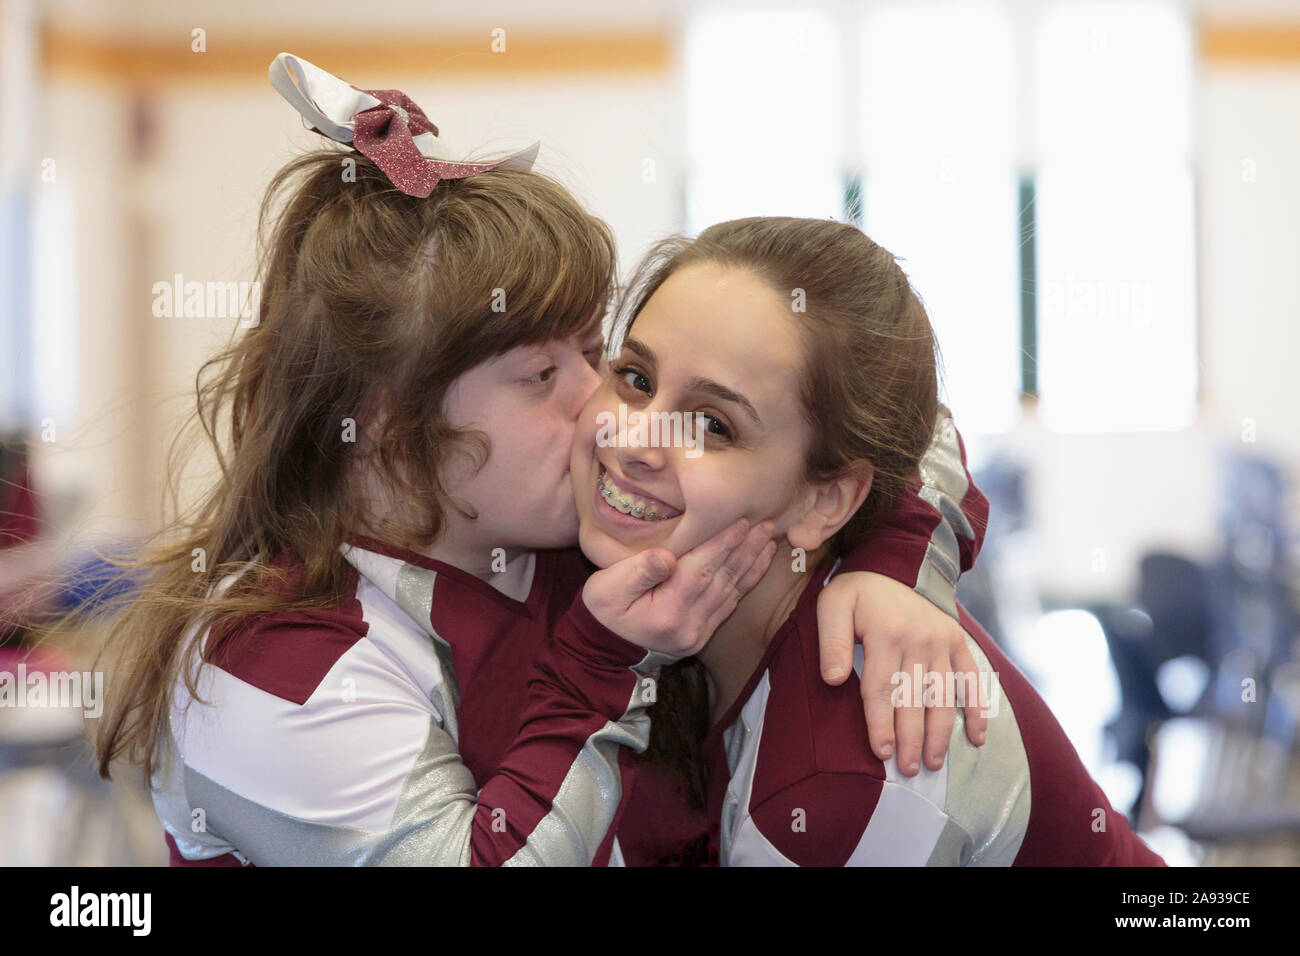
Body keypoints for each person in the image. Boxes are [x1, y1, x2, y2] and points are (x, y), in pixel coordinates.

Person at [90, 55, 989, 866]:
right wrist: (602, 661)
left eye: (602, 358)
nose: (606, 410)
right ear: (393, 431)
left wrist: (893, 566)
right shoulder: (272, 671)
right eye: (541, 376)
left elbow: (896, 423)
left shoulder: (552, 530)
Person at [575, 217, 1168, 866]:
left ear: (826, 501)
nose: (631, 441)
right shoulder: (637, 579)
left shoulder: (847, 770)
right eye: (635, 378)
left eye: (713, 425)